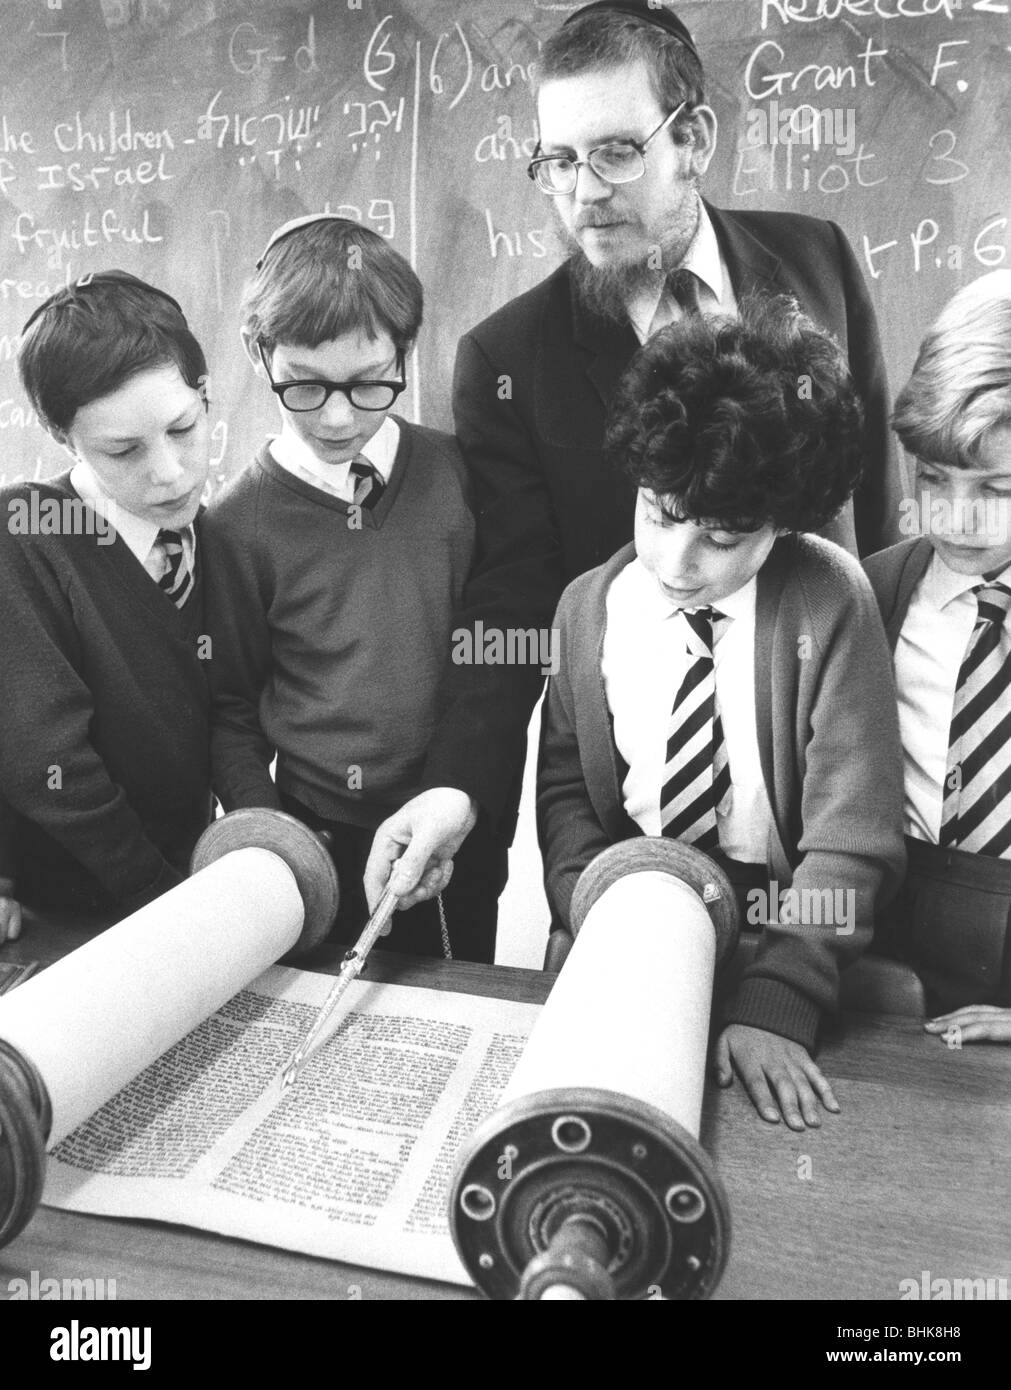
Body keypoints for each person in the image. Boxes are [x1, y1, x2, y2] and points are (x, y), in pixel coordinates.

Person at [364, 0, 903, 918]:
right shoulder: (509, 360)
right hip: (645, 841)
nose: (583, 192)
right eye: (557, 162)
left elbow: (877, 514)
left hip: (829, 816)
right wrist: (459, 784)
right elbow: (513, 600)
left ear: (691, 136)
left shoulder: (816, 259)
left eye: (614, 152)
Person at [538, 298, 905, 1128]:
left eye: (723, 537)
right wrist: (597, 912)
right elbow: (565, 800)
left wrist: (779, 997)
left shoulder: (829, 602)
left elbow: (853, 841)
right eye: (660, 515)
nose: (675, 561)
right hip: (625, 929)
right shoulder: (584, 611)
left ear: (784, 521)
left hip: (780, 944)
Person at [202, 215, 505, 962]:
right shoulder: (235, 527)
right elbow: (228, 707)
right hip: (321, 834)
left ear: (406, 351)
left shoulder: (460, 473)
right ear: (257, 352)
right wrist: (273, 842)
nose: (338, 417)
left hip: (456, 821)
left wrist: (464, 793)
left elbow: (495, 658)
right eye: (304, 386)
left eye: (370, 384)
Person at [0, 270, 213, 939]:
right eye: (123, 450)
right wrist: (165, 901)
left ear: (205, 395)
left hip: (178, 886)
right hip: (60, 915)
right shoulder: (25, 532)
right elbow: (45, 760)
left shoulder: (211, 534)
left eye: (183, 427)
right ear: (65, 438)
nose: (169, 471)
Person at [865, 269, 1011, 1045]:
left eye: (998, 487)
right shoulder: (871, 593)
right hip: (887, 964)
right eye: (931, 479)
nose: (956, 516)